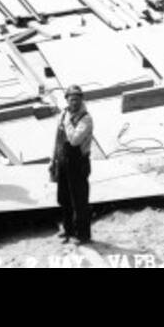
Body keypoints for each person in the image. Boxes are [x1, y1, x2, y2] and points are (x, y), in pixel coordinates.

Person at [51, 85, 94, 244]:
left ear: (81, 99)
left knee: (80, 200)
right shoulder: (64, 114)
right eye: (71, 100)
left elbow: (74, 140)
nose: (73, 103)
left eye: (76, 99)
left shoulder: (86, 118)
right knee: (64, 197)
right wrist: (53, 160)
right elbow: (58, 138)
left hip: (78, 162)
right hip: (63, 159)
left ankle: (82, 235)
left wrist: (68, 120)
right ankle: (68, 229)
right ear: (67, 100)